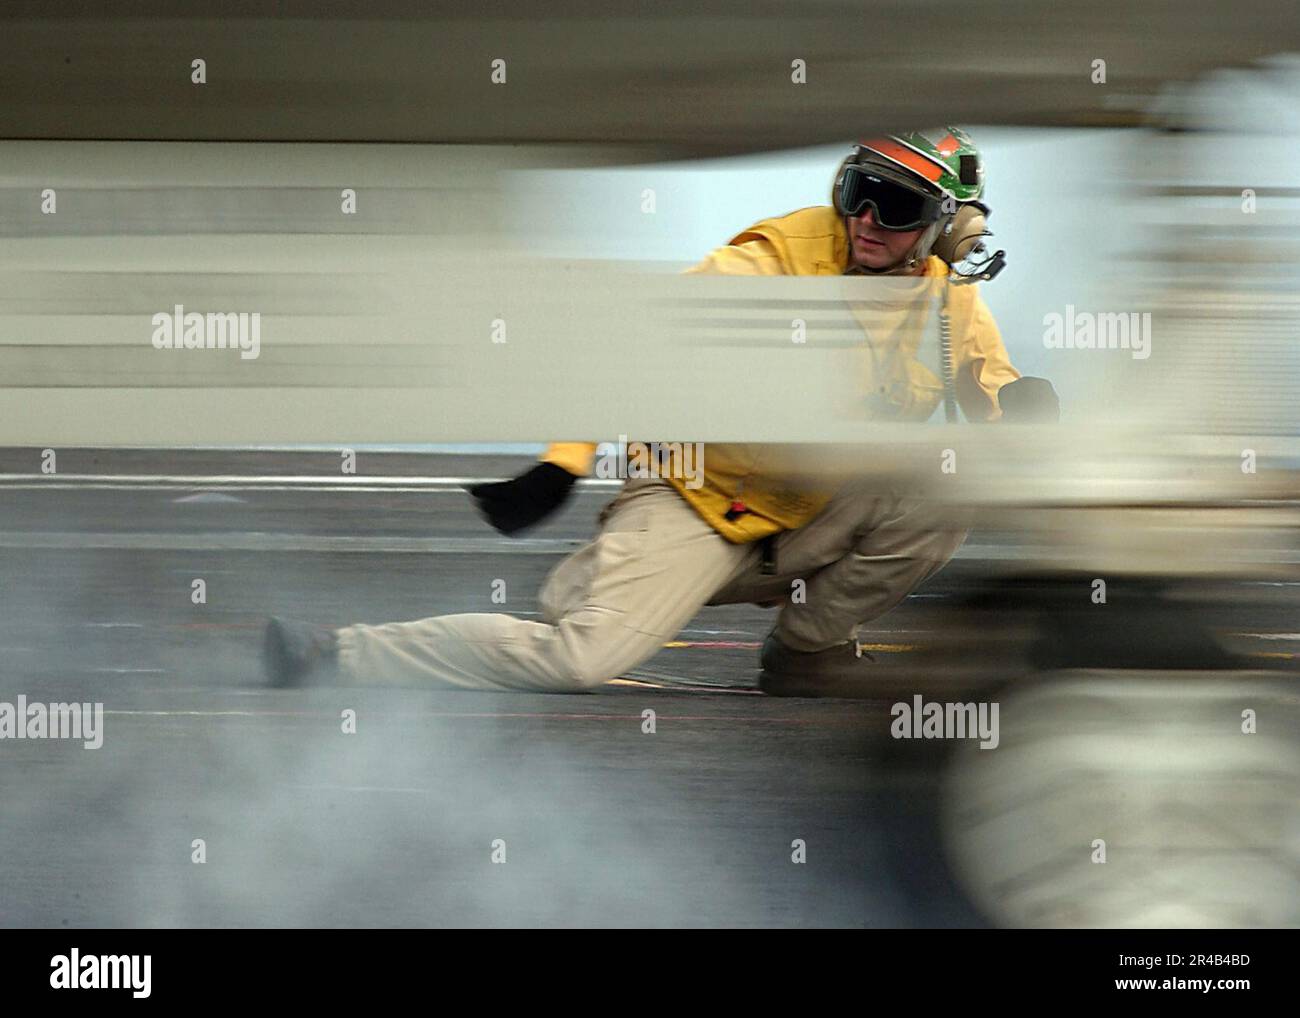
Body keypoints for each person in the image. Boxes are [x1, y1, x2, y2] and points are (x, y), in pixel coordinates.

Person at [264, 127, 1054, 695]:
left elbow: (988, 384)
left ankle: (808, 654)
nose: (868, 222)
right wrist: (559, 465)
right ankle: (336, 654)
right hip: (702, 501)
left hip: (810, 513)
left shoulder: (945, 297)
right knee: (577, 659)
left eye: (899, 207)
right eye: (859, 194)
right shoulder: (765, 267)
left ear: (949, 230)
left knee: (945, 489)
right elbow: (629, 343)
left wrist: (1021, 409)